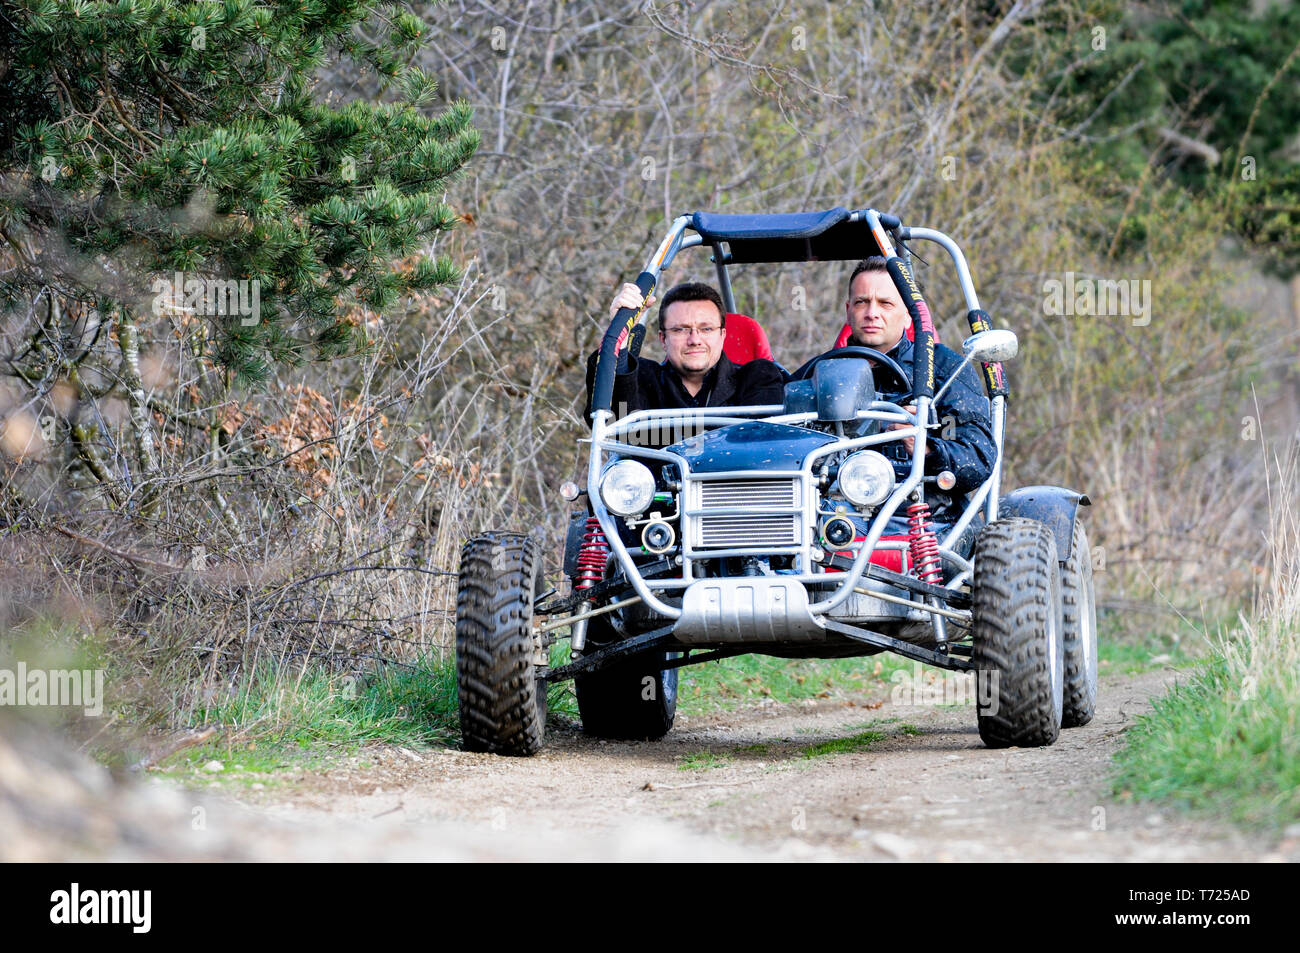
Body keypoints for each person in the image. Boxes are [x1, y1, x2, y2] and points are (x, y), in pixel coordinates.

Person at [839, 256, 996, 523]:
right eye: (862, 302)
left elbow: (979, 458)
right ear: (848, 309)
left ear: (908, 316)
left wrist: (927, 448)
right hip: (837, 518)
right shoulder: (823, 374)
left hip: (930, 519)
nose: (872, 313)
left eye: (885, 303)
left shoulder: (944, 370)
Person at [584, 281, 785, 420]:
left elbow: (763, 441)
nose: (694, 340)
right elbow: (610, 423)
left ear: (723, 335)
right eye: (680, 329)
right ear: (663, 339)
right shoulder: (645, 379)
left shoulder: (758, 376)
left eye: (706, 329)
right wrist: (620, 332)